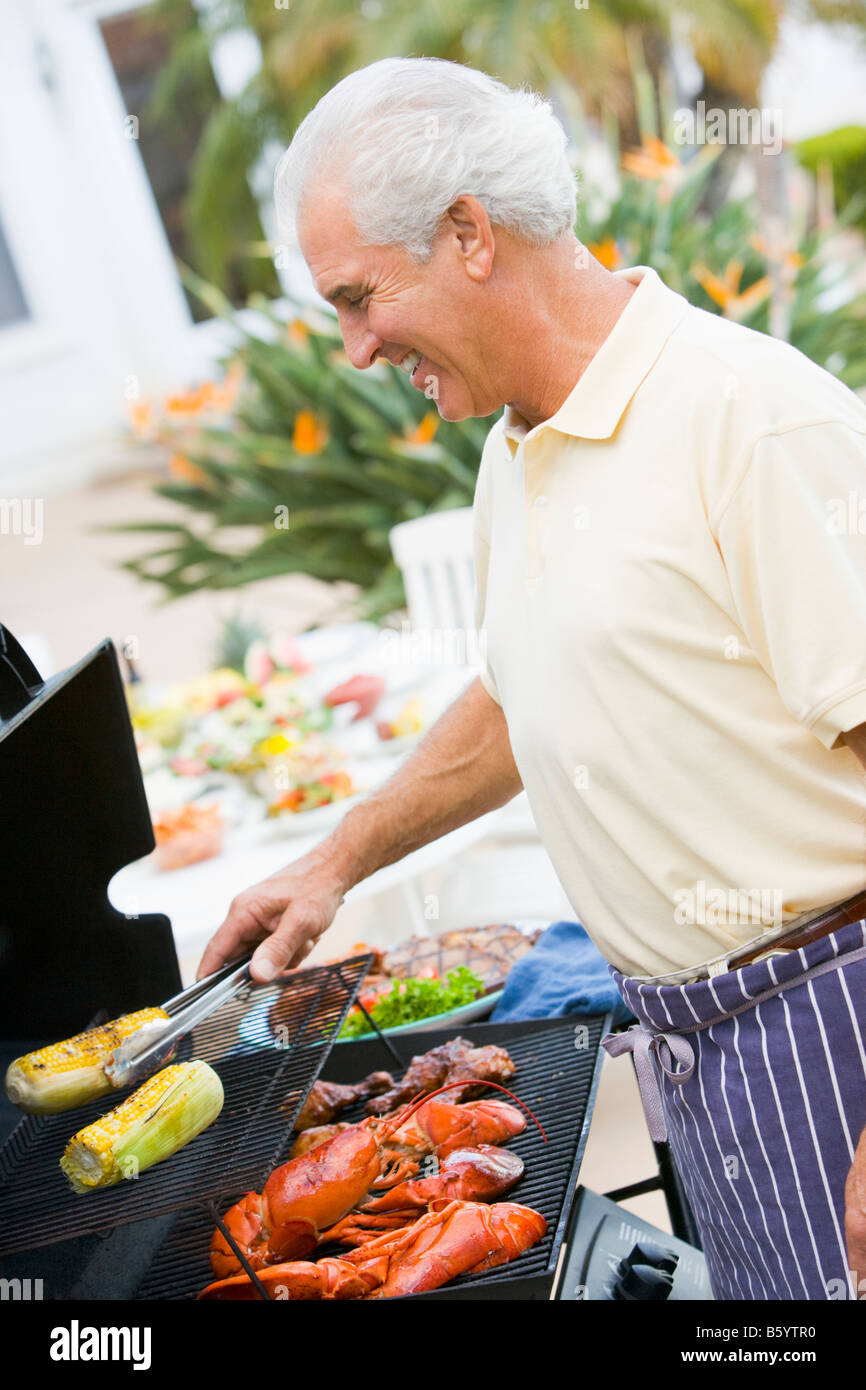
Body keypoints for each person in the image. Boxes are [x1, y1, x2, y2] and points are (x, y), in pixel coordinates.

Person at [198, 57, 866, 1300]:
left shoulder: (750, 420)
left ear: (467, 234)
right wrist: (331, 861)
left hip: (832, 1034)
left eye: (356, 297)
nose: (350, 350)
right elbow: (522, 693)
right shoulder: (517, 441)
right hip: (694, 1045)